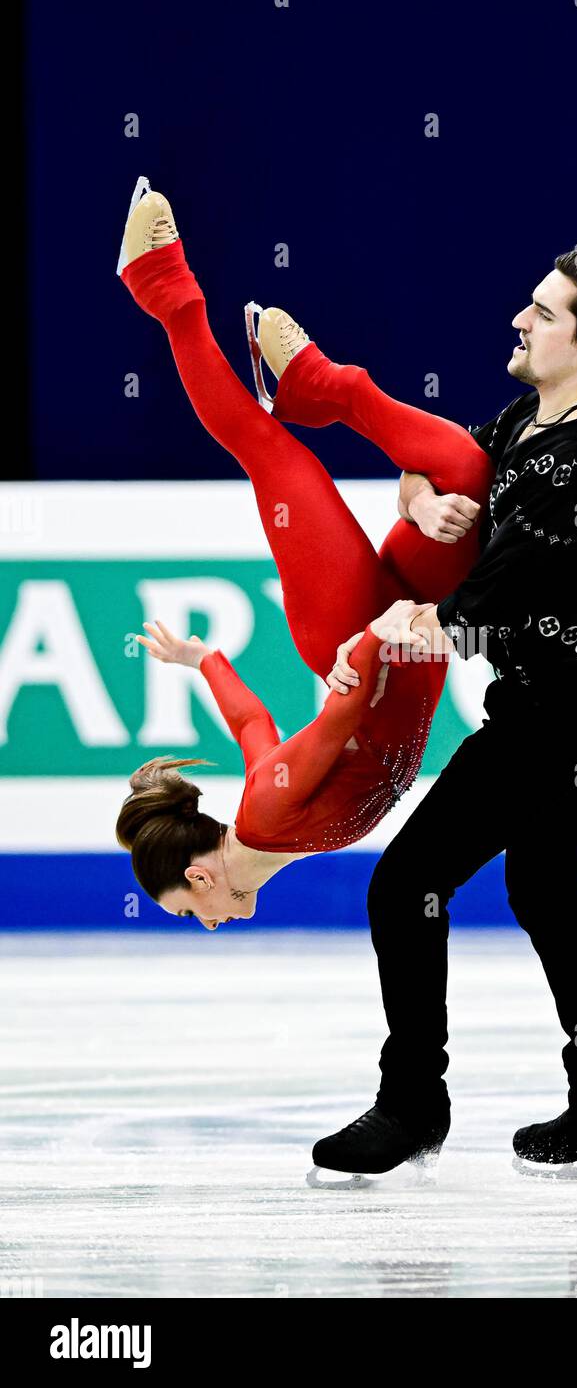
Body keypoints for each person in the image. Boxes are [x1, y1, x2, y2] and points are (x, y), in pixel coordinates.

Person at [313, 246, 577, 1180]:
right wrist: (423, 505)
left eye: (544, 314)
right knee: (545, 889)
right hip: (557, 690)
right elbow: (430, 468)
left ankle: (413, 1102)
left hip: (567, 707)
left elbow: (490, 605)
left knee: (406, 884)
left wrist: (405, 627)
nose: (520, 319)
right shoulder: (525, 418)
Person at [114, 183, 492, 929]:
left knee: (263, 451)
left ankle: (161, 287)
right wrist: (205, 664)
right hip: (407, 636)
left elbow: (340, 714)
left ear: (198, 876)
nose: (211, 920)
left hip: (355, 626)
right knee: (466, 475)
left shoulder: (265, 814)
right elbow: (256, 728)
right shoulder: (268, 818)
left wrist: (376, 636)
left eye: (190, 910)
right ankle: (309, 385)